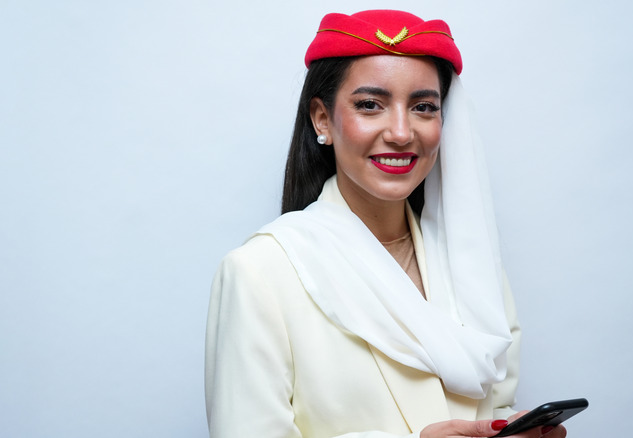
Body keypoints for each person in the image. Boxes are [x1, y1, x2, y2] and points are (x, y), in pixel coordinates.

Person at [205, 9, 567, 438]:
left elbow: (496, 405)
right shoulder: (260, 273)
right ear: (322, 119)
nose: (400, 132)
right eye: (370, 105)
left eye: (423, 107)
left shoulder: (473, 266)